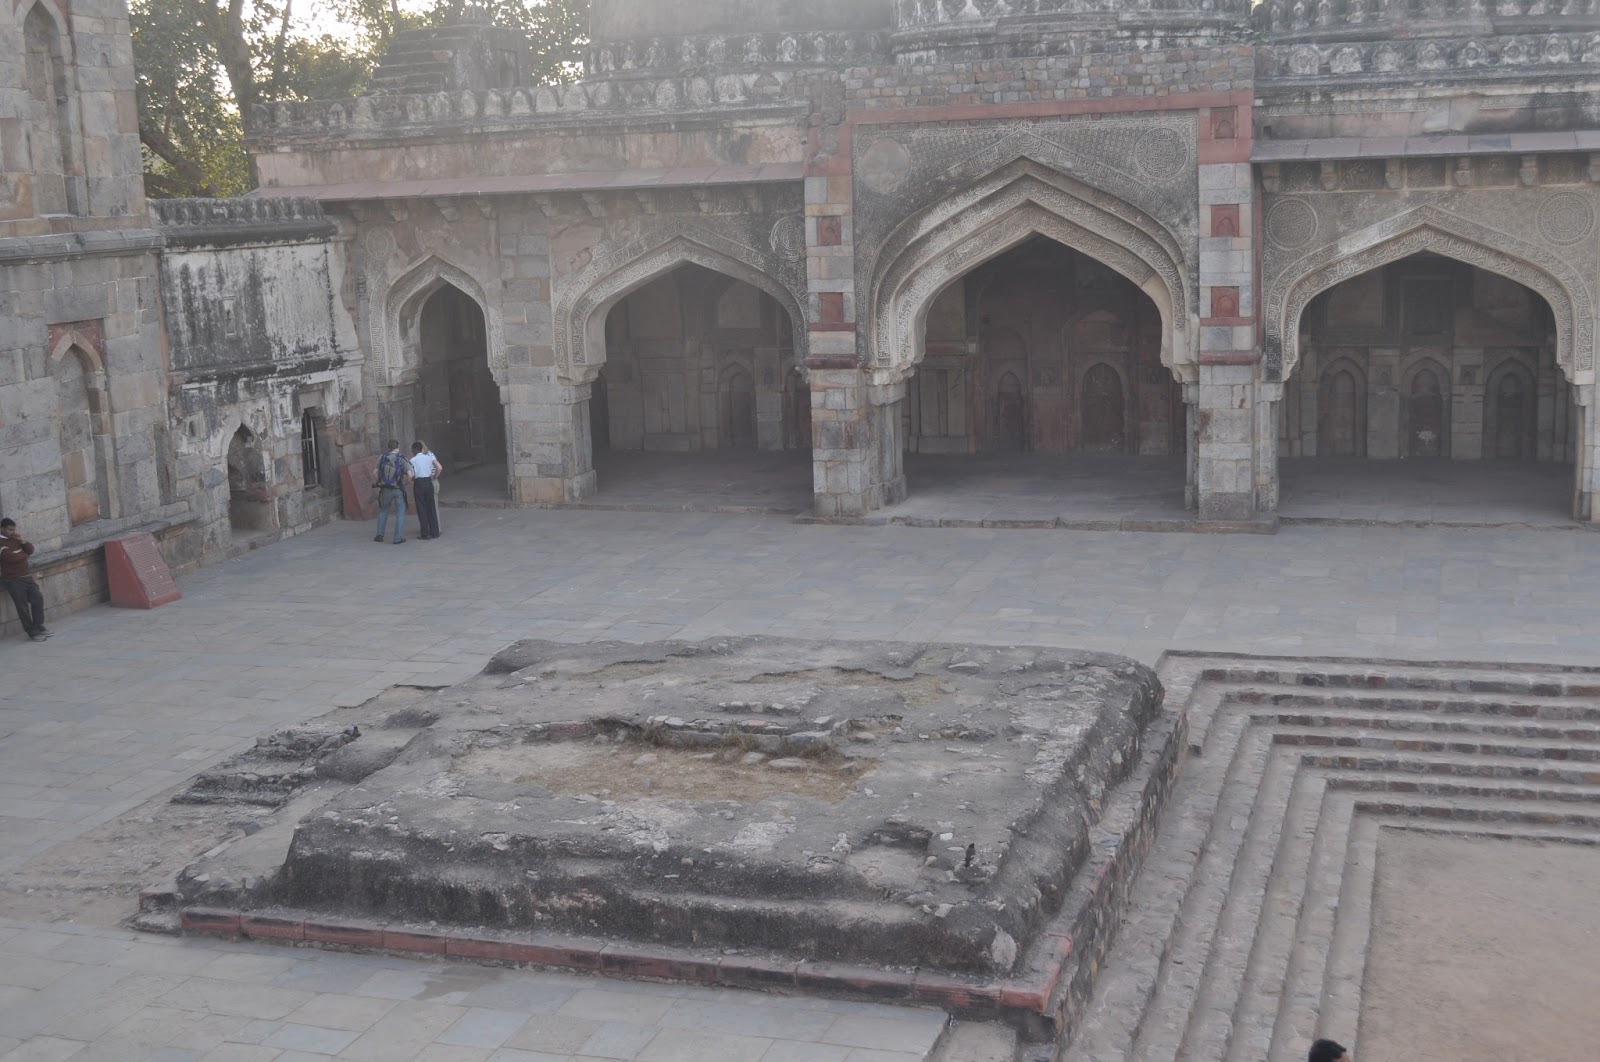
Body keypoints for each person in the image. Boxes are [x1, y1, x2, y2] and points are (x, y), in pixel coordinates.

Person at [0, 517, 50, 641]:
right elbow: (10, 558)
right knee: (22, 607)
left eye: (13, 529)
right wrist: (24, 555)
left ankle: (39, 626)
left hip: (27, 577)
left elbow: (30, 550)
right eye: (10, 530)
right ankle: (32, 632)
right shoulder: (1, 543)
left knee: (37, 599)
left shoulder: (15, 540)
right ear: (2, 529)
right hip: (13, 580)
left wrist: (22, 541)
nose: (12, 532)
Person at [373, 439, 411, 544]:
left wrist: (379, 481)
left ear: (388, 447)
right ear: (398, 446)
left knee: (383, 511)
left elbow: (375, 472)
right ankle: (397, 538)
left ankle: (380, 535)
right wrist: (406, 484)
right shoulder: (401, 459)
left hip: (385, 488)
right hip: (398, 489)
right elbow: (410, 474)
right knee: (400, 513)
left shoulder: (382, 457)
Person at [410, 441, 443, 540]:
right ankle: (435, 531)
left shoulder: (412, 460)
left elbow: (412, 475)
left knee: (421, 508)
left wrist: (412, 478)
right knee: (431, 507)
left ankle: (425, 533)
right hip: (429, 482)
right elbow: (436, 467)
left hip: (419, 483)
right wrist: (434, 477)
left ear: (414, 450)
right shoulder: (429, 458)